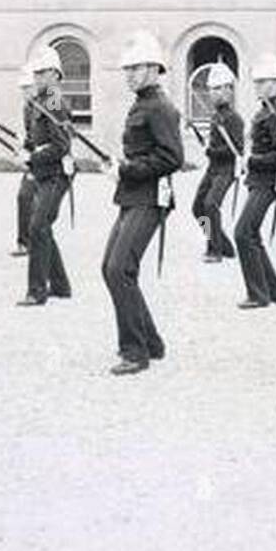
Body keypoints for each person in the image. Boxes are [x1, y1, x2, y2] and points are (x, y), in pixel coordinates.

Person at [102, 31, 184, 375]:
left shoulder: (160, 107)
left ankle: (135, 352)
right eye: (127, 69)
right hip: (132, 196)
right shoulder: (141, 104)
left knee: (120, 268)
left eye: (136, 68)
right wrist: (122, 168)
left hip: (149, 199)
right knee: (110, 267)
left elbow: (172, 157)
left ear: (154, 68)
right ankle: (150, 341)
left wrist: (127, 169)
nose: (130, 74)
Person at [234, 55, 276, 308]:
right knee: (252, 233)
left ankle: (258, 294)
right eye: (256, 82)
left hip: (267, 182)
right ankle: (273, 290)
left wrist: (252, 160)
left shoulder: (274, 114)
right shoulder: (266, 110)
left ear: (275, 83)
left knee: (242, 233)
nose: (257, 86)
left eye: (262, 82)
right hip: (258, 181)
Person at [17, 46, 73, 306]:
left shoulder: (53, 101)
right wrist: (25, 147)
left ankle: (37, 290)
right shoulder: (39, 102)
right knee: (42, 226)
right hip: (44, 173)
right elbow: (37, 139)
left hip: (56, 175)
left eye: (42, 73)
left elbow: (61, 145)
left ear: (54, 74)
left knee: (38, 226)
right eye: (36, 73)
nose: (37, 78)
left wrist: (33, 156)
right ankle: (60, 285)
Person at [191, 62, 243, 262]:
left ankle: (214, 250)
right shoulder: (216, 116)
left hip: (226, 170)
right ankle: (224, 245)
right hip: (213, 169)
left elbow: (236, 150)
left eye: (219, 89)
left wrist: (210, 150)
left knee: (211, 205)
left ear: (229, 90)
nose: (214, 94)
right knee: (198, 208)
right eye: (212, 89)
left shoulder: (234, 119)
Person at [10, 65, 36, 257]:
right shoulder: (27, 108)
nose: (24, 92)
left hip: (51, 163)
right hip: (35, 160)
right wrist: (23, 145)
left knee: (32, 202)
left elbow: (59, 134)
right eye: (23, 89)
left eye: (28, 87)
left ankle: (33, 242)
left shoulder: (52, 99)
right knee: (24, 197)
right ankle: (25, 242)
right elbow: (32, 136)